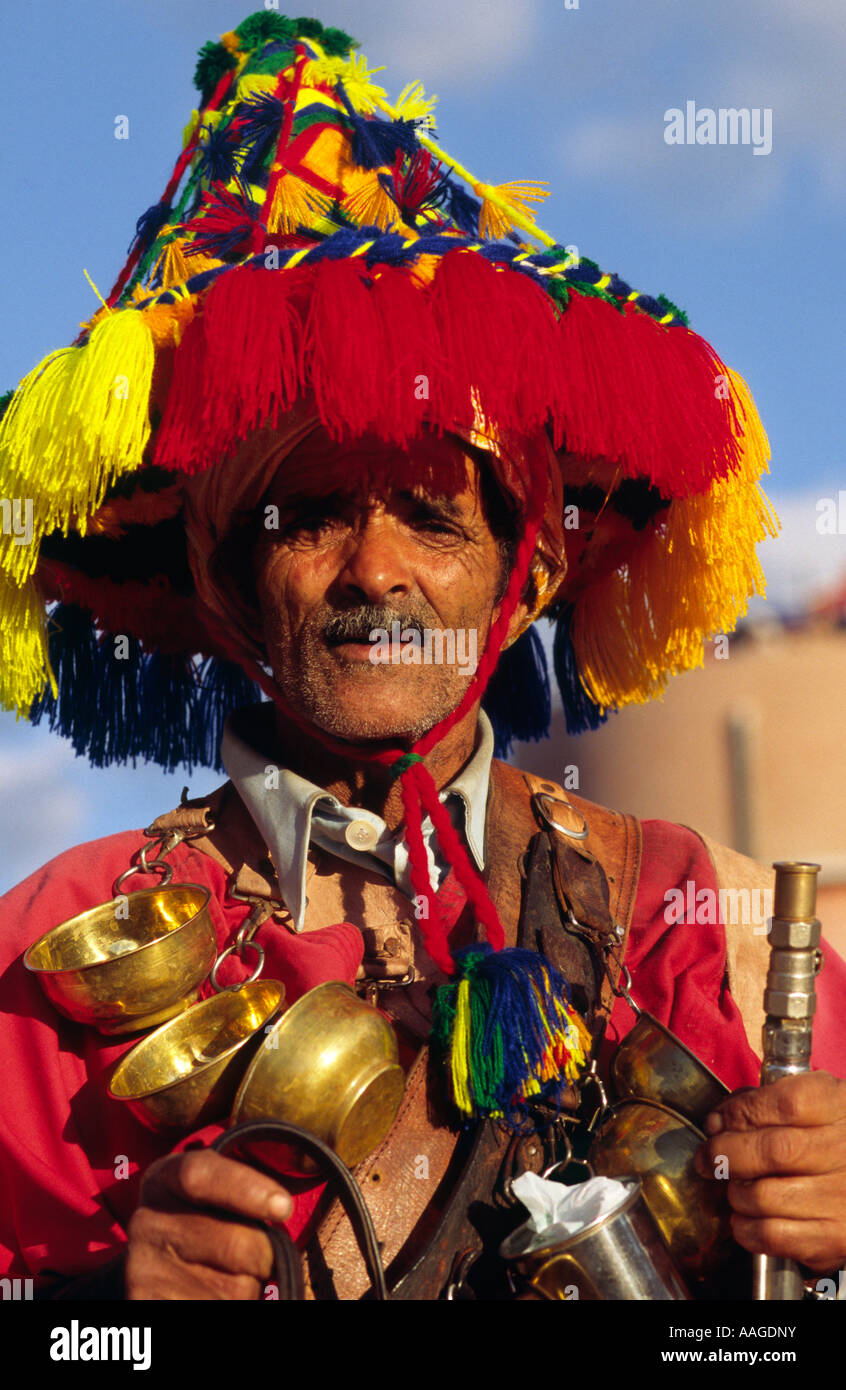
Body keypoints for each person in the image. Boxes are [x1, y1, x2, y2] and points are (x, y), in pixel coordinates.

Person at [0, 11, 844, 1302]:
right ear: (220, 585)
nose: (376, 572)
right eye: (311, 517)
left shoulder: (694, 914)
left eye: (434, 518)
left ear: (526, 573)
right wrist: (102, 1308)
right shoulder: (59, 943)